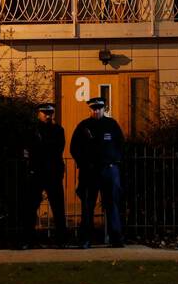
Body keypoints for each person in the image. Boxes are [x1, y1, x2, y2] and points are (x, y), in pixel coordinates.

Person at [69, 96, 126, 248]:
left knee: (112, 204)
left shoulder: (112, 124)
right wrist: (84, 164)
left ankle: (116, 238)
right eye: (94, 108)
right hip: (90, 172)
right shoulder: (83, 126)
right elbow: (74, 148)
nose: (97, 111)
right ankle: (85, 239)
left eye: (99, 108)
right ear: (90, 109)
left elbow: (121, 144)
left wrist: (116, 161)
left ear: (103, 108)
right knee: (88, 206)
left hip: (109, 169)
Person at [26, 102, 68, 247]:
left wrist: (40, 149)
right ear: (39, 113)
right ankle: (29, 239)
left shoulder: (58, 130)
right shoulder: (33, 130)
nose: (48, 115)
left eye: (50, 113)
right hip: (38, 171)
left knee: (58, 207)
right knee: (31, 206)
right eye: (45, 113)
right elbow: (31, 149)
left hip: (52, 172)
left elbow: (56, 149)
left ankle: (61, 240)